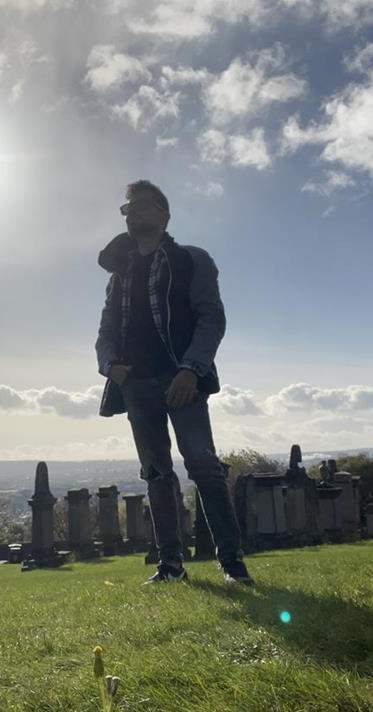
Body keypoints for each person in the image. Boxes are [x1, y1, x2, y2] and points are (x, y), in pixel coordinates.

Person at [95, 179, 254, 586]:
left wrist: (191, 369)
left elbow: (210, 317)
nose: (133, 215)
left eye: (143, 207)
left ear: (164, 215)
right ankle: (171, 565)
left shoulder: (191, 259)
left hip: (182, 378)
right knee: (156, 473)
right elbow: (106, 329)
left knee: (204, 466)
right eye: (127, 209)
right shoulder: (121, 273)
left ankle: (233, 564)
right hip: (137, 384)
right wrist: (111, 365)